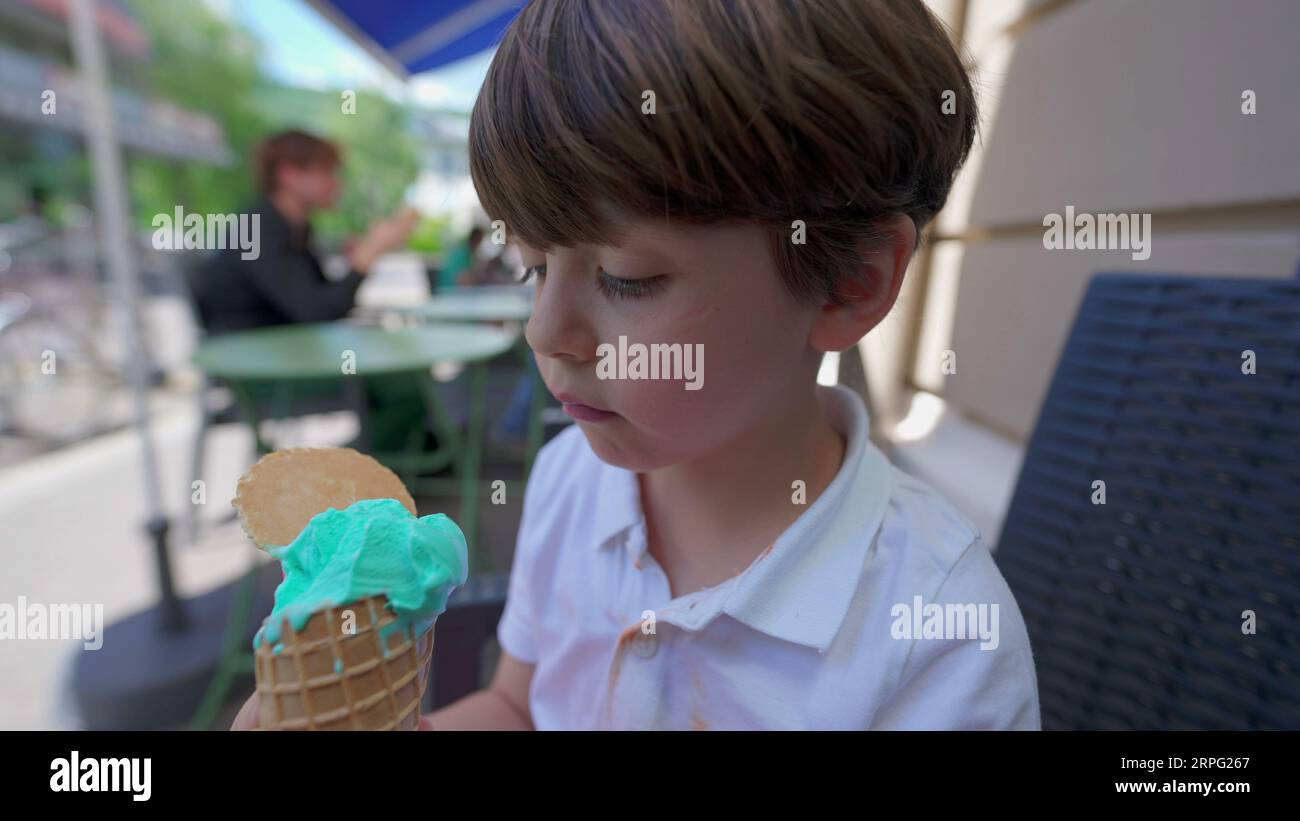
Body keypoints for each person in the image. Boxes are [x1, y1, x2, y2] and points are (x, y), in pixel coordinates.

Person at [233, 0, 1039, 730]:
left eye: (627, 278)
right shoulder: (569, 480)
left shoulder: (938, 635)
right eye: (532, 267)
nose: (547, 332)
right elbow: (520, 703)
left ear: (849, 281)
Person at [198, 130, 428, 455]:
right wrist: (367, 256)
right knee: (406, 382)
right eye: (326, 173)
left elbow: (323, 303)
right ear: (290, 175)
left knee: (406, 372)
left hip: (286, 356)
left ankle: (395, 466)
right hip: (257, 371)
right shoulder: (260, 227)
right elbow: (318, 311)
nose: (337, 183)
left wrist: (360, 258)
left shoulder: (292, 226)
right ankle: (359, 476)